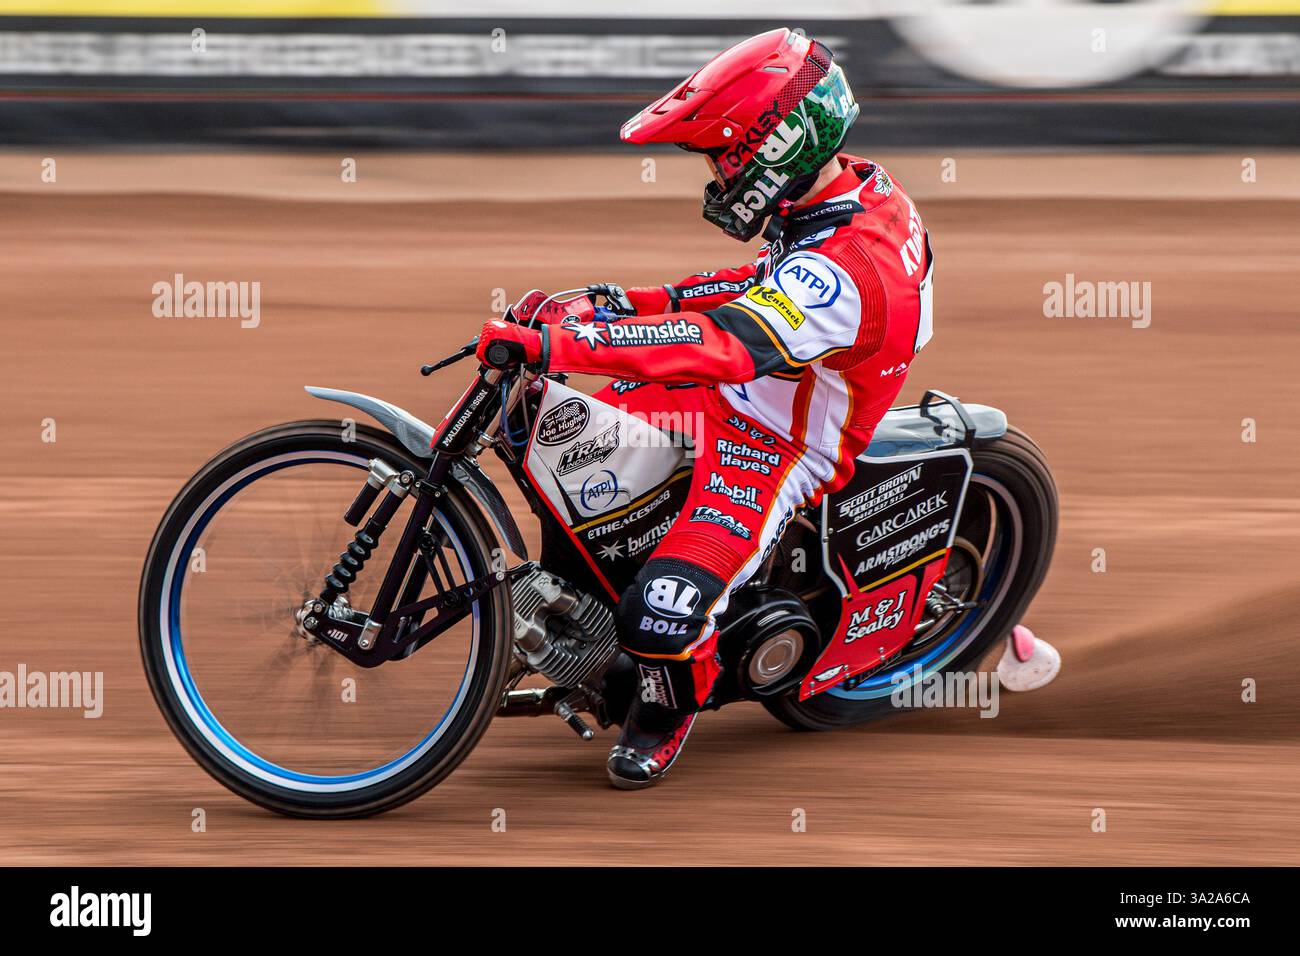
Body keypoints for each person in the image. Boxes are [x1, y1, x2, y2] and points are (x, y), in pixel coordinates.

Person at [476, 27, 934, 789]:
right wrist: (619, 302)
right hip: (739, 389)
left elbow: (726, 341)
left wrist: (570, 341)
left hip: (775, 439)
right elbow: (755, 284)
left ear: (779, 144)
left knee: (659, 610)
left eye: (724, 156)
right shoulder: (843, 192)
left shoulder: (850, 267)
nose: (719, 176)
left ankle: (665, 710)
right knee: (553, 432)